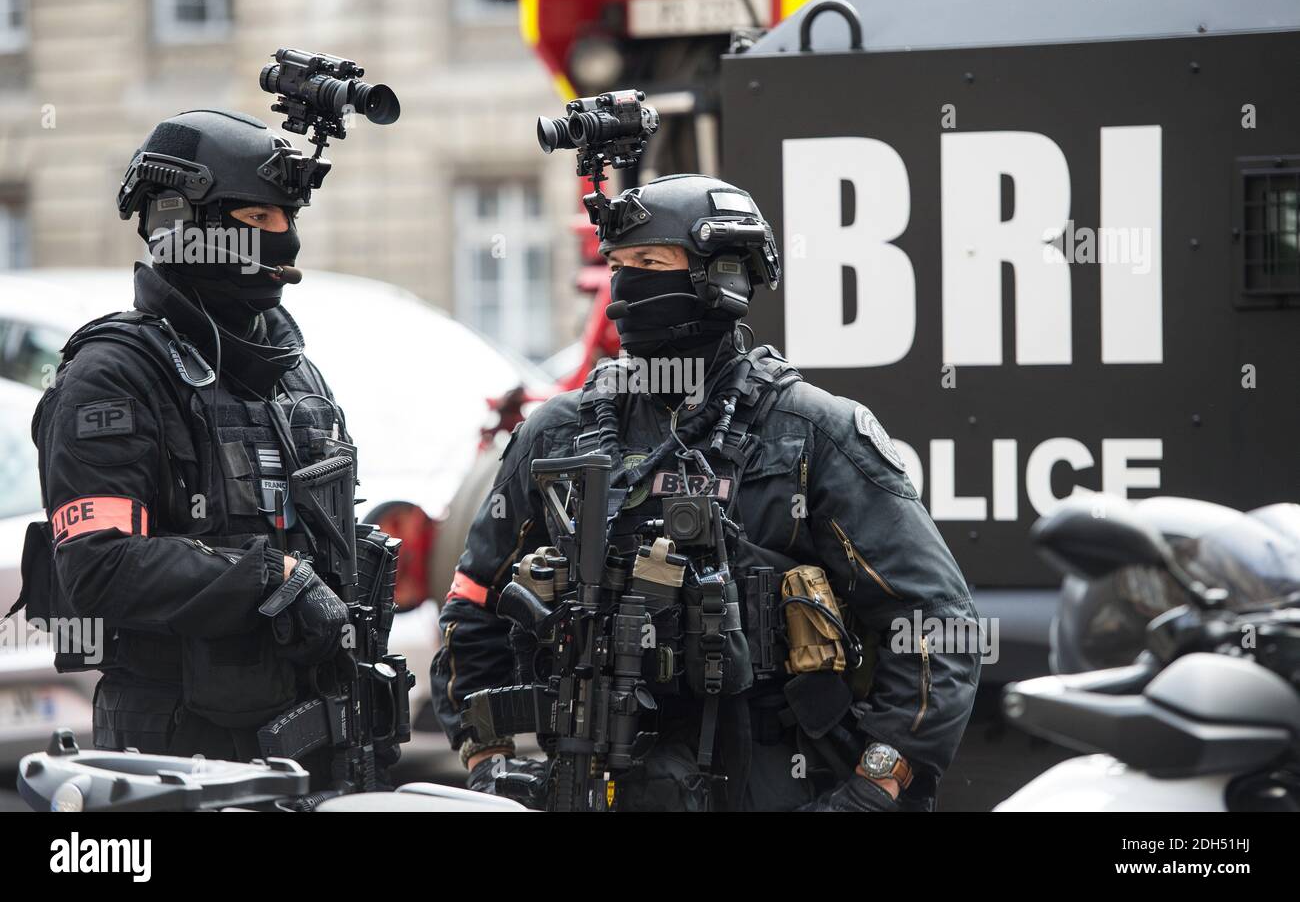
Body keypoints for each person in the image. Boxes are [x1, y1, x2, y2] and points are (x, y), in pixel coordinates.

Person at [432, 173, 981, 811]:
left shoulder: (812, 433)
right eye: (618, 264)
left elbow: (939, 621)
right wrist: (489, 761)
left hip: (774, 782)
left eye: (649, 262)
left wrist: (878, 783)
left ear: (719, 276)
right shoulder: (559, 431)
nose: (627, 284)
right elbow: (474, 602)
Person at [26, 109, 355, 774]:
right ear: (184, 225)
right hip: (180, 754)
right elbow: (100, 566)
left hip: (316, 739)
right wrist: (275, 577)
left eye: (288, 219)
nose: (283, 238)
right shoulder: (114, 374)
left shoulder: (292, 368)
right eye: (259, 220)